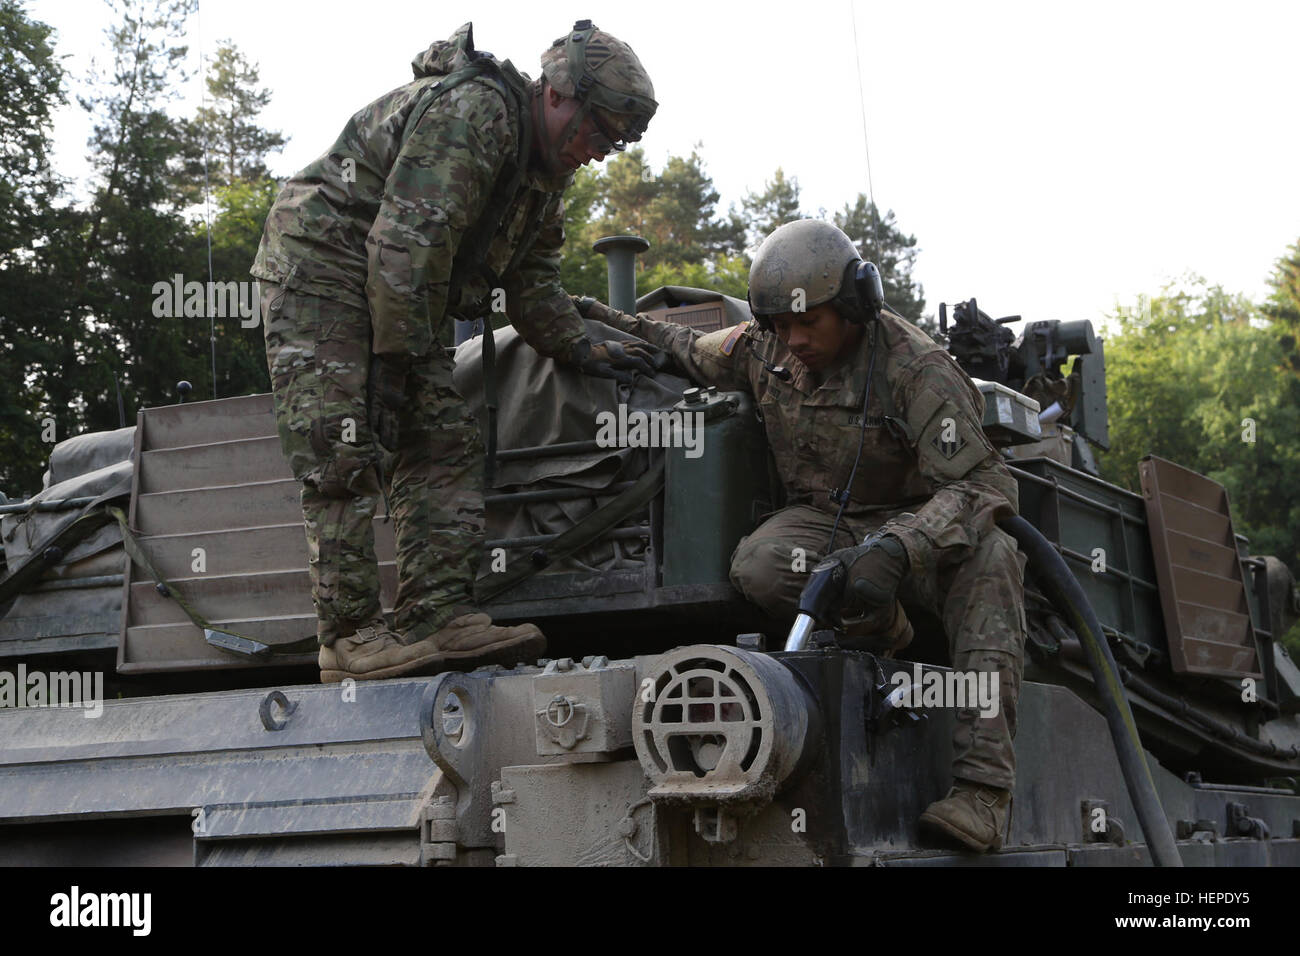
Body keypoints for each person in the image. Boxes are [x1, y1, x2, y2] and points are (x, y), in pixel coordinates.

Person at [574, 219, 1028, 853]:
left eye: (808, 324)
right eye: (780, 327)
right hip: (827, 527)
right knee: (761, 565)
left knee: (996, 558)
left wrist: (901, 548)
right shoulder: (764, 348)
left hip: (922, 527)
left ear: (852, 306)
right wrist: (597, 317)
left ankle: (983, 793)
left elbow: (986, 485)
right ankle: (881, 628)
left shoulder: (914, 367)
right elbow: (684, 346)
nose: (794, 341)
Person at [252, 20, 659, 683]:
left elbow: (532, 285)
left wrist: (585, 345)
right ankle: (349, 637)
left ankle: (434, 614)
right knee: (343, 443)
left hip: (401, 291)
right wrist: (392, 368)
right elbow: (405, 248)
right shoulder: (477, 115)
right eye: (598, 130)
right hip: (324, 264)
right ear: (558, 95)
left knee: (443, 438)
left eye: (613, 142)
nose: (598, 150)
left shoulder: (542, 177)